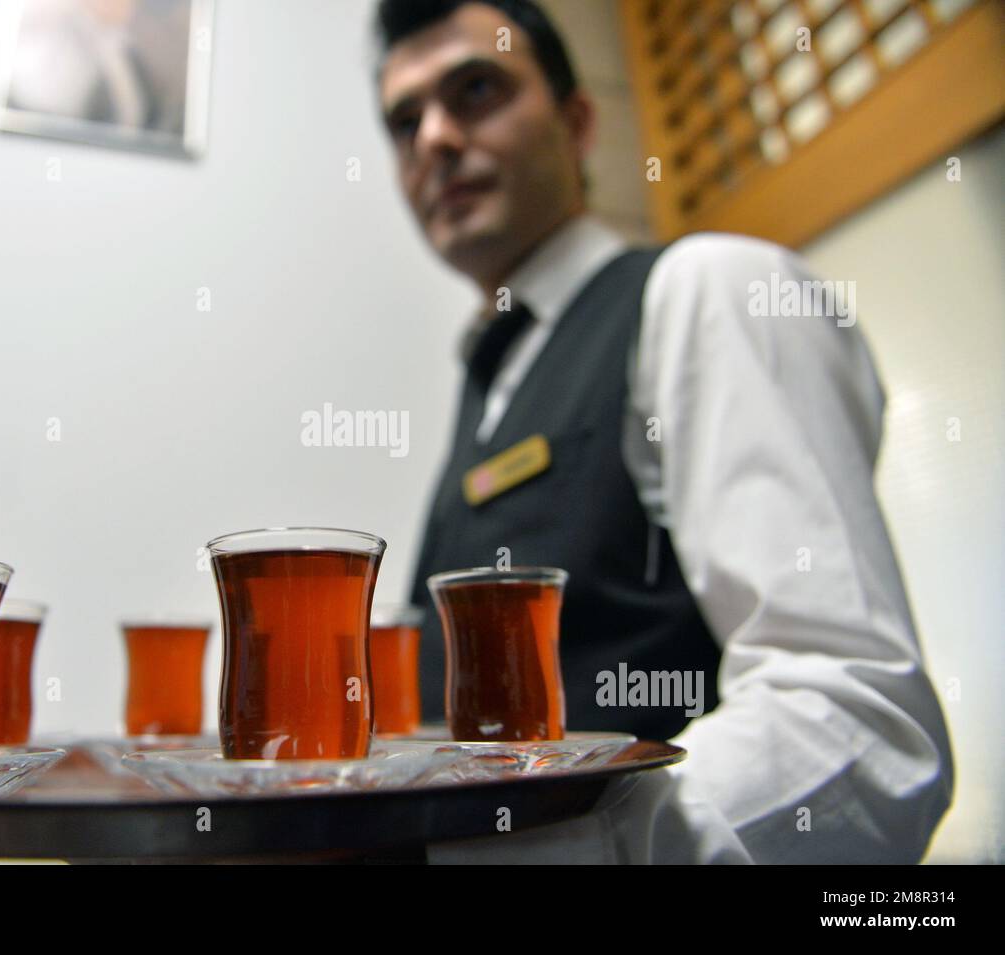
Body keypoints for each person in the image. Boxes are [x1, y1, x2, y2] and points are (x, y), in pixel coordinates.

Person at [374, 0, 953, 862]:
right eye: (405, 120)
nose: (435, 139)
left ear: (577, 123)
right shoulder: (488, 382)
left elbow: (858, 722)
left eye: (477, 89)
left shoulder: (709, 289)